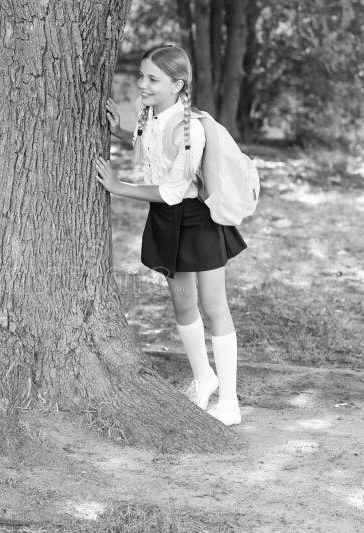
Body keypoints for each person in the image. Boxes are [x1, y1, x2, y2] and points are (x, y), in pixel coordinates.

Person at [95, 45, 246, 426]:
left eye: (152, 79)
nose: (142, 84)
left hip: (197, 220)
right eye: (142, 75)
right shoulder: (150, 114)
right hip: (166, 219)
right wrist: (122, 130)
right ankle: (203, 378)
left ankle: (229, 400)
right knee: (182, 306)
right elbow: (153, 152)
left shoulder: (190, 127)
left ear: (178, 85)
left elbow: (173, 190)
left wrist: (118, 186)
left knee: (214, 306)